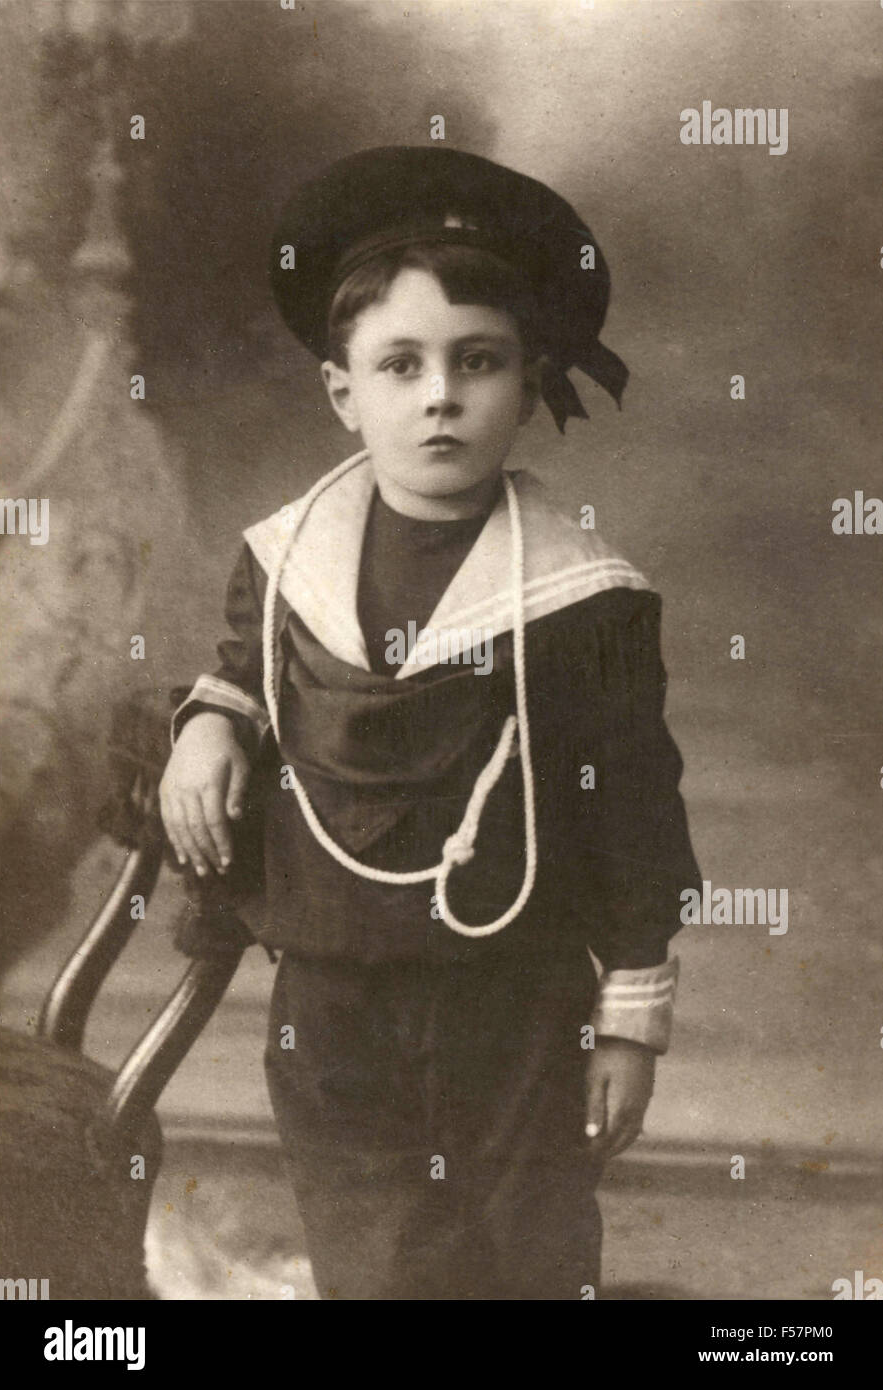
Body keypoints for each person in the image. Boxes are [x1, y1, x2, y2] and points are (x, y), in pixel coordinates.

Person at [158, 146, 702, 1300]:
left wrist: (630, 1021)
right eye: (399, 364)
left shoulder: (583, 596)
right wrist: (210, 721)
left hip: (515, 993)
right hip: (330, 990)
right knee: (375, 1246)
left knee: (527, 1248)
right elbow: (247, 669)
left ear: (528, 378)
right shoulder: (284, 559)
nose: (440, 395)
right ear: (343, 391)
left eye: (479, 361)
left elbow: (638, 810)